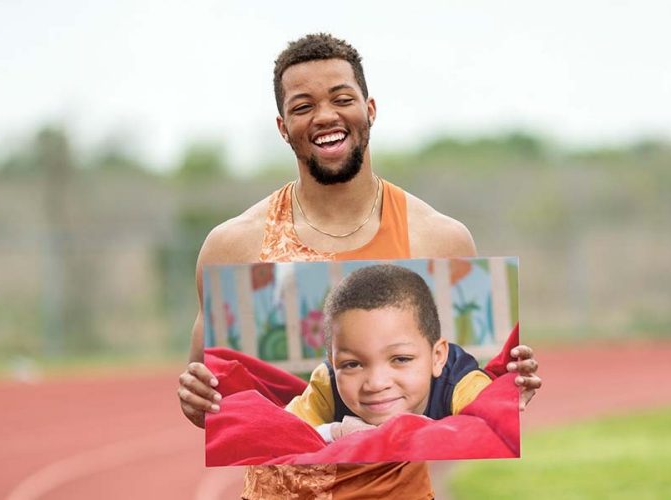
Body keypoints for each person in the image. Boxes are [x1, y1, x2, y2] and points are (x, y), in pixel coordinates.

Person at [177, 32, 542, 499]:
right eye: (303, 105)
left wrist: (509, 391)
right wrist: (194, 399)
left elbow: (460, 391)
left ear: (369, 109)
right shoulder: (233, 247)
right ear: (282, 126)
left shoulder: (439, 238)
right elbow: (211, 406)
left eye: (341, 98)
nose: (325, 116)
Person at [286, 264, 494, 445]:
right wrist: (334, 432)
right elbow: (282, 430)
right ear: (333, 362)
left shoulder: (464, 384)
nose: (376, 384)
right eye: (352, 364)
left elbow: (492, 428)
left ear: (437, 357)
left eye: (401, 359)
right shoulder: (327, 383)